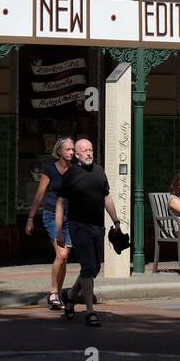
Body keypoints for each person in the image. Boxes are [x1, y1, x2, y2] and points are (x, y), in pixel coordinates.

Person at [54, 138, 121, 327]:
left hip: (97, 226)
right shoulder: (71, 174)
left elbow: (106, 197)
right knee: (88, 266)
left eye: (91, 149)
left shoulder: (99, 171)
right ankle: (90, 311)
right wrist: (59, 231)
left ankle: (70, 295)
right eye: (84, 150)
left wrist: (116, 222)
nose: (89, 153)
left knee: (95, 267)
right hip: (78, 226)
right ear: (76, 155)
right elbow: (60, 203)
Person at [25, 136, 75, 309]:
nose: (71, 152)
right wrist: (30, 218)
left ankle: (58, 296)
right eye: (68, 149)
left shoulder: (75, 171)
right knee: (61, 254)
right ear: (59, 151)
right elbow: (39, 195)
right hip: (52, 215)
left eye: (73, 149)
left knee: (65, 257)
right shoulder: (49, 169)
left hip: (70, 217)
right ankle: (53, 292)